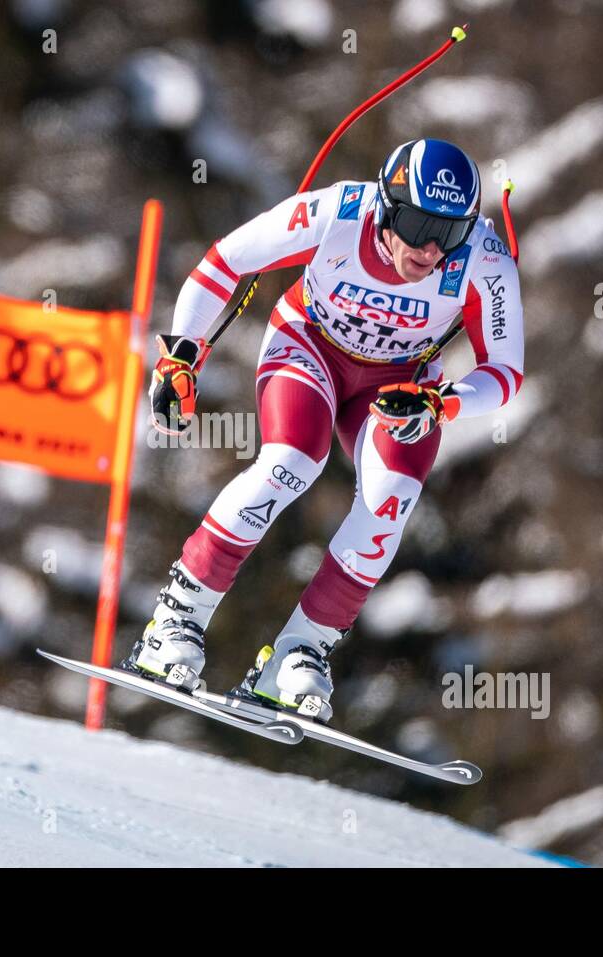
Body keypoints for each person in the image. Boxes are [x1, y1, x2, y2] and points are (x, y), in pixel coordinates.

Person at [128, 138, 524, 722]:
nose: (433, 248)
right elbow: (224, 262)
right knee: (293, 461)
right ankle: (177, 618)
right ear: (387, 209)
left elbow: (506, 370)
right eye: (417, 224)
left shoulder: (483, 257)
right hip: (309, 348)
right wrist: (180, 356)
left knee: (391, 500)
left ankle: (298, 653)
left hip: (399, 385)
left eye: (451, 230)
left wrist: (442, 404)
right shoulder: (339, 211)